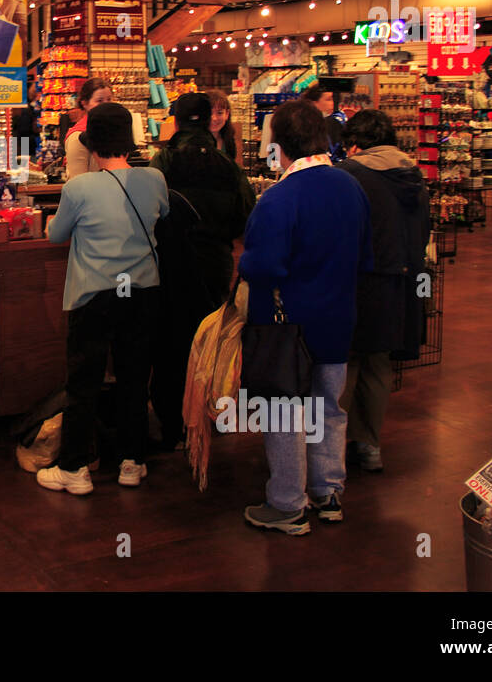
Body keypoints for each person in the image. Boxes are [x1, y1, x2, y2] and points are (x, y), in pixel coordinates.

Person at [238, 99, 372, 535]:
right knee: (329, 407)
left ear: (280, 143)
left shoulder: (279, 198)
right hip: (337, 316)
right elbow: (365, 256)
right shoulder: (350, 186)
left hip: (285, 326)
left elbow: (261, 267)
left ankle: (287, 503)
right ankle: (328, 493)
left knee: (283, 413)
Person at [40, 103, 169, 495]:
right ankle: (133, 461)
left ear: (92, 145)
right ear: (128, 143)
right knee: (133, 378)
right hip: (142, 293)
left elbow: (55, 235)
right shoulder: (154, 179)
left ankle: (75, 468)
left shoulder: (78, 187)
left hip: (94, 295)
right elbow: (160, 215)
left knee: (84, 382)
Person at [148, 93, 256, 449]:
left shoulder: (163, 161)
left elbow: (149, 213)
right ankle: (211, 415)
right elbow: (245, 216)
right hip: (215, 262)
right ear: (210, 119)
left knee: (171, 342)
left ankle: (173, 425)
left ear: (175, 122)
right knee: (211, 340)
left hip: (172, 262)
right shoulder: (228, 166)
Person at [336, 110, 430, 473]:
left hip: (360, 281)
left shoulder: (351, 174)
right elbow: (422, 232)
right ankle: (369, 445)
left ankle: (331, 445)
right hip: (401, 282)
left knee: (345, 363)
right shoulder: (412, 174)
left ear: (356, 143)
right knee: (378, 364)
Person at [64, 78, 145, 180]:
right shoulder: (77, 137)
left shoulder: (116, 130)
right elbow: (76, 180)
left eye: (109, 99)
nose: (106, 104)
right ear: (84, 103)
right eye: (100, 101)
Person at [303, 84, 347, 161]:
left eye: (335, 99)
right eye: (329, 99)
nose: (334, 103)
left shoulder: (336, 120)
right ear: (314, 103)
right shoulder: (305, 124)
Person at [205, 88, 244, 167]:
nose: (214, 118)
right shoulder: (194, 144)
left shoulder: (229, 140)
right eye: (209, 113)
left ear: (227, 114)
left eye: (219, 113)